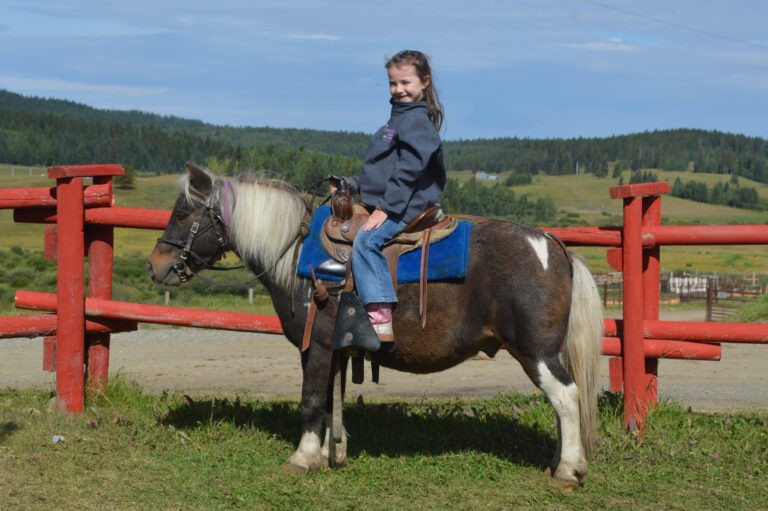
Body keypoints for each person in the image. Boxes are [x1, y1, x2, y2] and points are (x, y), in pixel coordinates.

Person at [331, 49, 446, 350]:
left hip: (407, 205)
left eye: (406, 82)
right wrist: (351, 184)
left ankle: (380, 317)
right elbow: (380, 172)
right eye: (393, 84)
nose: (399, 89)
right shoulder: (396, 120)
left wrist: (386, 209)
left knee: (366, 241)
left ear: (424, 82)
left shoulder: (417, 121)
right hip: (395, 200)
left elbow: (408, 171)